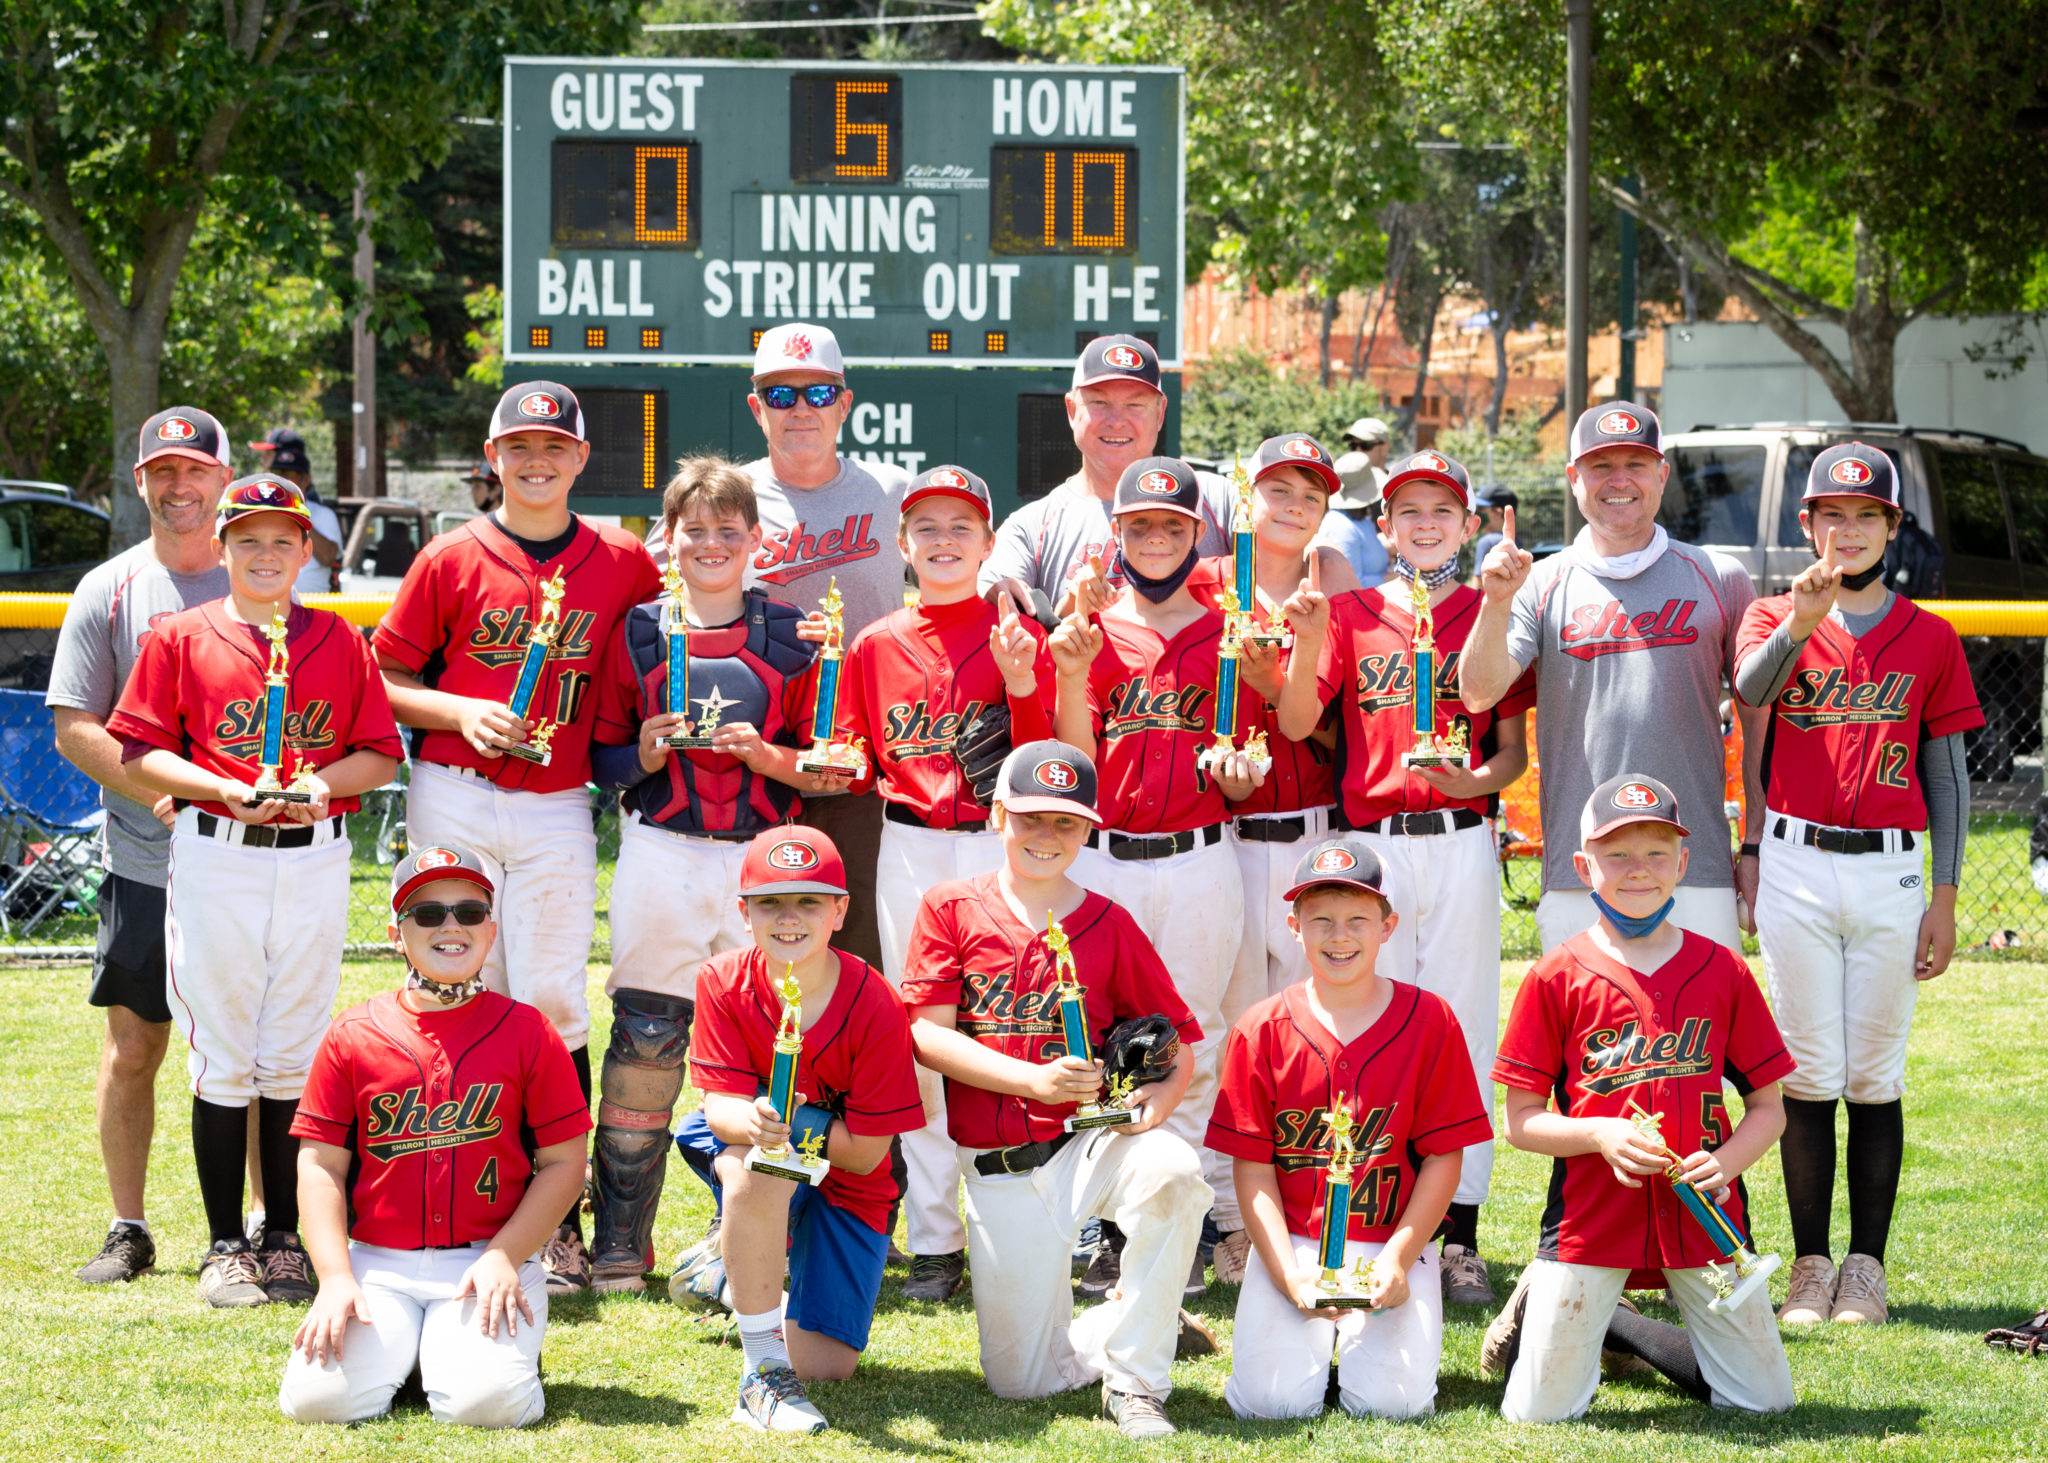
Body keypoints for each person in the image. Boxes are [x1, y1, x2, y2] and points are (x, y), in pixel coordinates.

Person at [373, 382, 663, 1295]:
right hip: (454, 789)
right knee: (467, 992)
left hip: (555, 800)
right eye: (520, 446)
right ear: (492, 457)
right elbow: (382, 679)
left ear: (581, 458)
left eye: (554, 446)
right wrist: (460, 708)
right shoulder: (450, 555)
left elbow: (662, 650)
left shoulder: (623, 559)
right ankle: (475, 1201)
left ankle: (560, 1221)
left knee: (552, 1002)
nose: (537, 461)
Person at [108, 475, 403, 1308]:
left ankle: (280, 1235)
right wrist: (216, 786)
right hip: (220, 852)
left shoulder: (340, 639)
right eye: (248, 538)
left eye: (281, 538)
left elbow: (379, 754)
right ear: (222, 547)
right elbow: (139, 752)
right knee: (224, 1051)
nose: (265, 553)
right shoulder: (180, 635)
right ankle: (224, 1244)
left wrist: (322, 781)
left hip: (315, 854)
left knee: (292, 1052)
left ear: (307, 549)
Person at [1732, 443, 1983, 1328]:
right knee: (1806, 1069)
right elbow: (1749, 687)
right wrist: (1802, 623)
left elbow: (1948, 777)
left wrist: (1945, 896)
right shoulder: (1773, 612)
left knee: (1874, 1073)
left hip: (1891, 865)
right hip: (1796, 858)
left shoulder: (1930, 635)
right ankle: (1810, 1267)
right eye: (1831, 515)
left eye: (1866, 515)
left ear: (1891, 526)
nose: (1848, 529)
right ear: (1808, 525)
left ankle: (1865, 1268)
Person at [1275, 449, 1532, 1307]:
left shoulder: (1488, 607)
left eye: (1442, 509)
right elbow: (1299, 721)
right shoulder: (1349, 611)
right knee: (1367, 1022)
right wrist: (1308, 637)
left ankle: (1459, 1232)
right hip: (1372, 842)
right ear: (1382, 527)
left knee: (1462, 1026)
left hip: (1458, 836)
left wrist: (1475, 782)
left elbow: (1509, 752)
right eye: (1408, 511)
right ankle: (1370, 1209)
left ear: (1467, 524)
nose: (1426, 523)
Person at [900, 739, 1212, 1439]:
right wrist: (1030, 1080)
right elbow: (926, 1035)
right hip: (1001, 1163)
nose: (1046, 834)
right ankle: (1140, 1314)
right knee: (1021, 1382)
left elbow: (1181, 1046)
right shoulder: (951, 908)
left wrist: (1154, 1107)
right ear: (997, 815)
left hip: (1091, 1144)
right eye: (1030, 817)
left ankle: (1136, 1385)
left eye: (1066, 822)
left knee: (1173, 1171)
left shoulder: (1109, 920)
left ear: (1087, 830)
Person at [1487, 774, 1796, 1424]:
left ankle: (1618, 1325)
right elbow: (1519, 1121)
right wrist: (1598, 1134)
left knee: (1765, 1404)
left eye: (1657, 852)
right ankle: (1547, 1296)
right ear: (1583, 867)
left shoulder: (1722, 969)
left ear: (1682, 864)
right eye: (1617, 854)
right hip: (1591, 1221)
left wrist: (1728, 1162)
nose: (1638, 869)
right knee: (1540, 1416)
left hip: (1708, 1223)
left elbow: (1770, 1107)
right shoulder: (1556, 976)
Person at [583, 455, 820, 1294]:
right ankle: (621, 1240)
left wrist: (771, 757)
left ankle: (755, 1233)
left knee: (771, 1047)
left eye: (728, 529)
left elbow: (824, 760)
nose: (711, 544)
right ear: (668, 538)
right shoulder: (639, 631)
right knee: (647, 1038)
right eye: (695, 530)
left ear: (756, 538)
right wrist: (642, 754)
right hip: (663, 847)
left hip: (764, 854)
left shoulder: (793, 632)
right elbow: (602, 754)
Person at [826, 464, 1056, 1302]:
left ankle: (1018, 1222)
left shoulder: (1017, 633)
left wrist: (1021, 680)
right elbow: (852, 752)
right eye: (927, 525)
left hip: (996, 842)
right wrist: (834, 756)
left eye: (962, 526)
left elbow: (1044, 757)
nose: (944, 540)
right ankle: (934, 1239)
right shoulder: (873, 642)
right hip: (911, 844)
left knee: (1007, 1031)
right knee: (921, 1036)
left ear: (990, 543)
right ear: (901, 543)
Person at [277, 845, 591, 1427]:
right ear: (398, 935)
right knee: (316, 1403)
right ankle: (425, 1349)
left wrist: (506, 1254)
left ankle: (452, 1352)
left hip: (488, 1256)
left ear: (491, 930)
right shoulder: (352, 1033)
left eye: (469, 912)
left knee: (487, 1407)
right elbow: (320, 1166)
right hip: (377, 1262)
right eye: (427, 913)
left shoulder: (529, 1031)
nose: (450, 926)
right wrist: (335, 1278)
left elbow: (565, 1162)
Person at [1048, 457, 1264, 1297]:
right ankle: (1107, 1221)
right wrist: (1073, 669)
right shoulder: (1093, 629)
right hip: (1108, 855)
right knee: (1103, 1036)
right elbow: (1074, 760)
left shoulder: (1228, 630)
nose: (1157, 537)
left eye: (1174, 525)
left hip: (1202, 853)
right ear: (1118, 532)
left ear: (1197, 533)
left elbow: (1242, 765)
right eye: (1140, 524)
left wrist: (1240, 773)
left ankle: (1197, 1217)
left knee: (1194, 1037)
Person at [1458, 401, 1762, 953]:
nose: (1619, 480)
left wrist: (1756, 845)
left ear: (1662, 474)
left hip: (1695, 865)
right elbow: (1479, 693)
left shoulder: (1720, 576)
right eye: (1600, 466)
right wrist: (1495, 602)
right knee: (1584, 1013)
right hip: (1580, 869)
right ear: (1574, 478)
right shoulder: (1538, 582)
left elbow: (1759, 724)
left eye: (1636, 464)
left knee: (1701, 1011)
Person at [1207, 836, 1490, 1420]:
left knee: (1394, 1406)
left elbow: (1444, 1157)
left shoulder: (1431, 1020)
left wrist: (1400, 1258)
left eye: (1358, 919)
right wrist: (1286, 1275)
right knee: (1270, 1406)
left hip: (1391, 1240)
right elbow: (1252, 1169)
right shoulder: (1260, 1028)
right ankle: (1302, 1346)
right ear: (1294, 927)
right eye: (1322, 920)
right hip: (1295, 1240)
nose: (1340, 936)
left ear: (1387, 927)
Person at [51, 407, 237, 1284]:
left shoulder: (261, 576)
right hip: (144, 857)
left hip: (246, 858)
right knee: (135, 1047)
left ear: (223, 478)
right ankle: (128, 1226)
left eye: (195, 469)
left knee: (245, 1051)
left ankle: (256, 1228)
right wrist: (156, 790)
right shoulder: (111, 588)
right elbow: (74, 726)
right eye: (163, 470)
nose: (180, 485)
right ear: (140, 482)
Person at [685, 826, 925, 1435]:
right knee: (755, 1169)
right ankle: (763, 1375)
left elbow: (867, 1155)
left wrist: (791, 1124)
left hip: (849, 1180)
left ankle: (725, 1275)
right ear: (744, 913)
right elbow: (718, 1110)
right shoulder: (721, 978)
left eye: (809, 901)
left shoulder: (877, 1002)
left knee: (824, 1366)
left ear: (840, 911)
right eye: (769, 902)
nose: (788, 917)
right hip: (751, 1151)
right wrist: (755, 1121)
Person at [1202, 432, 1361, 1283]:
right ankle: (1229, 1219)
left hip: (1310, 829)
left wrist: (1286, 669)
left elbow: (1327, 727)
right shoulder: (1202, 584)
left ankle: (1311, 1202)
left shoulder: (1336, 595)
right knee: (1232, 1031)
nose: (1294, 505)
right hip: (1224, 831)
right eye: (1278, 488)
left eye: (1311, 494)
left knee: (1312, 1030)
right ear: (1246, 497)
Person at [737, 323, 907, 970]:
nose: (801, 408)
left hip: (868, 763)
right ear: (757, 407)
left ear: (844, 403)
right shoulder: (729, 498)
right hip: (757, 757)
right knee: (761, 945)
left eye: (818, 392)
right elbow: (666, 603)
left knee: (863, 948)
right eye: (780, 394)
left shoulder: (893, 493)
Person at [981, 335, 1234, 615]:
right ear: (1071, 410)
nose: (1116, 421)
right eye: (1099, 403)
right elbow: (983, 601)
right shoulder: (1030, 527)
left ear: (1160, 412)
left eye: (1135, 405)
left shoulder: (1218, 499)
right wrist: (992, 592)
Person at [250, 428, 343, 595]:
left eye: (289, 473)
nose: (282, 479)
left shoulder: (323, 514)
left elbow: (329, 557)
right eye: (276, 472)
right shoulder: (253, 510)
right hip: (269, 604)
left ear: (305, 480)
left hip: (313, 604)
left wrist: (294, 513)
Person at [1470, 486, 1517, 575]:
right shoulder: (1517, 541)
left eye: (1481, 508)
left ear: (1497, 513)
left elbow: (1478, 582)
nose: (1475, 512)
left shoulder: (1486, 542)